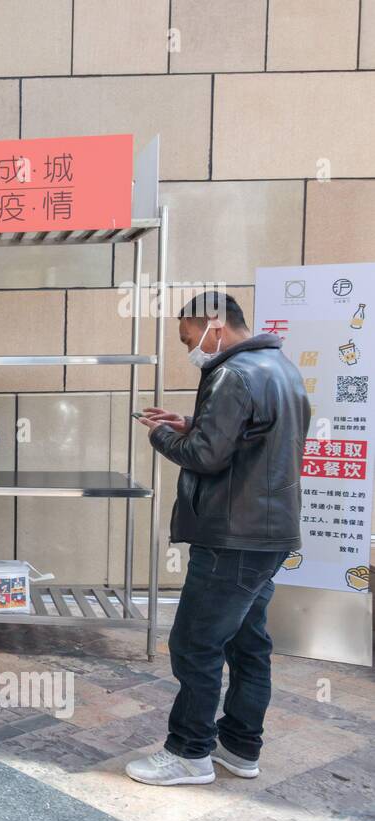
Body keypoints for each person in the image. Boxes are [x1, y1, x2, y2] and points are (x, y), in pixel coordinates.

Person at [127, 292, 309, 786]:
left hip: (233, 536)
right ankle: (240, 747)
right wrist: (191, 423)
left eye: (190, 337)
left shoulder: (232, 373)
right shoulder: (280, 367)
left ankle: (189, 752)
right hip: (269, 535)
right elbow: (254, 438)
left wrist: (161, 436)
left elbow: (206, 457)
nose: (192, 348)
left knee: (194, 643)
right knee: (248, 644)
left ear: (213, 323)